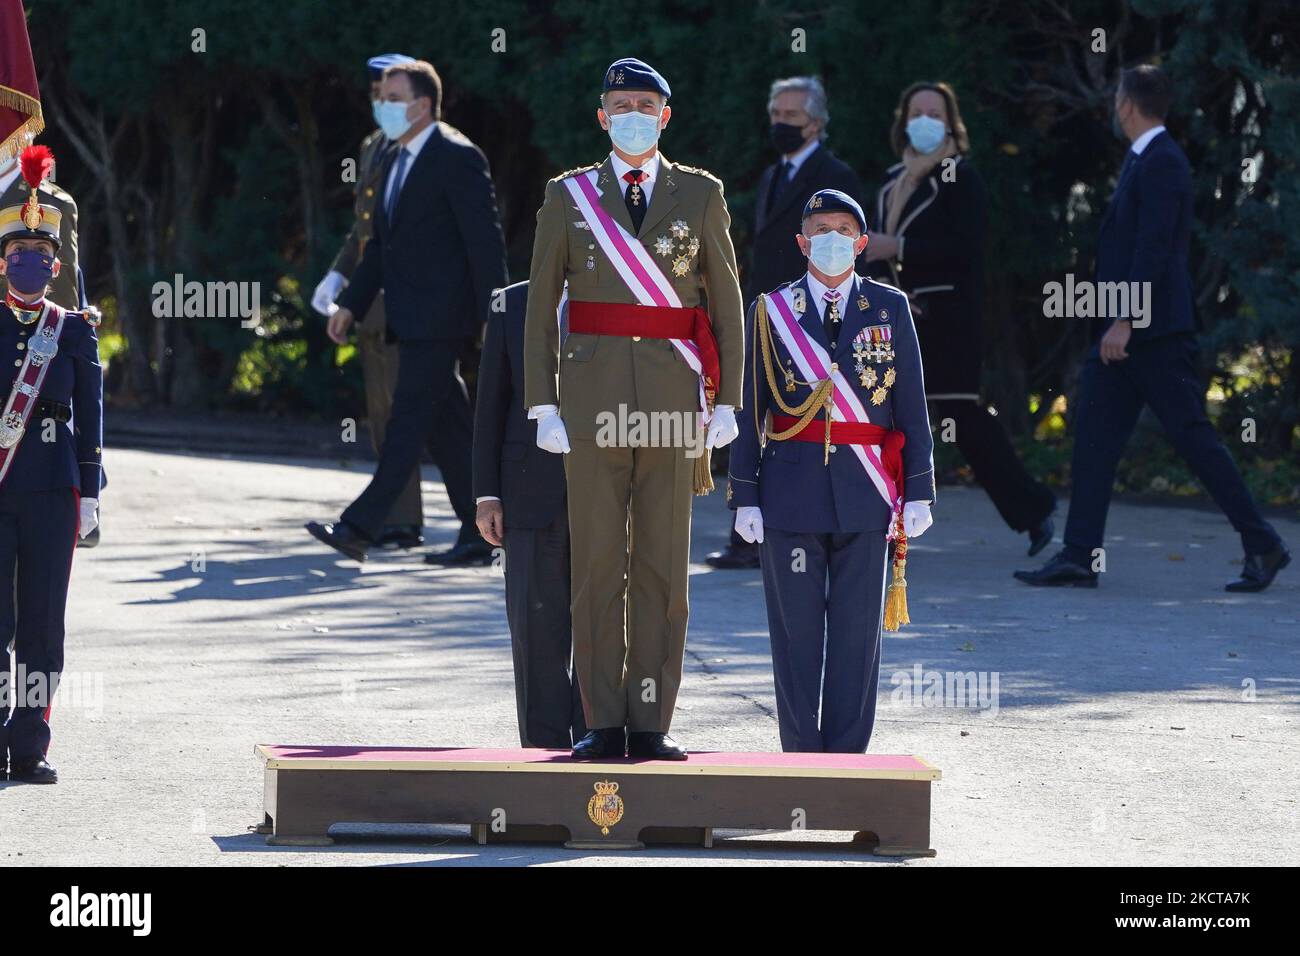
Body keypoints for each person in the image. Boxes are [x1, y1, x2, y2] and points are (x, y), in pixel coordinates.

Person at [523, 58, 743, 760]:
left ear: (666, 116)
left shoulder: (700, 194)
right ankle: (601, 719)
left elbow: (728, 305)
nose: (633, 115)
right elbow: (538, 311)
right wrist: (542, 403)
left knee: (661, 568)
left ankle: (650, 720)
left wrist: (731, 398)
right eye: (621, 104)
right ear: (601, 115)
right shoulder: (568, 196)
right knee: (595, 567)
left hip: (674, 404)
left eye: (645, 104)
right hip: (589, 406)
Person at [1016, 65, 1288, 592]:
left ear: (1126, 104)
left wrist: (1124, 320)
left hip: (1150, 334)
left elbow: (1153, 249)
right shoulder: (1146, 159)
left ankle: (1263, 543)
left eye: (1117, 99)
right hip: (1127, 333)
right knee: (1094, 438)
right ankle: (1078, 553)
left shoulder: (1162, 161)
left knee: (1193, 439)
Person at [728, 188, 934, 753]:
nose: (833, 240)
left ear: (863, 243)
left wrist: (919, 491)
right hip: (789, 493)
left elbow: (912, 403)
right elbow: (749, 410)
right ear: (801, 242)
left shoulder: (889, 307)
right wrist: (744, 494)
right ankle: (800, 757)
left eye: (844, 230)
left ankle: (848, 762)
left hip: (868, 492)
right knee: (795, 638)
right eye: (821, 229)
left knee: (855, 637)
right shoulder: (771, 311)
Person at [305, 59, 508, 566]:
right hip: (407, 316)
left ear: (422, 104)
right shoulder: (394, 158)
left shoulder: (457, 157)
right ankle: (479, 535)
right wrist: (349, 305)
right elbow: (380, 247)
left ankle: (358, 527)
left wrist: (496, 313)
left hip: (442, 318)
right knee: (449, 427)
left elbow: (484, 242)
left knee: (407, 422)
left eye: (392, 97)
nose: (382, 104)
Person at [865, 81, 1055, 555]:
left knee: (960, 419)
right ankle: (887, 526)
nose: (926, 120)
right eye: (917, 111)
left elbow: (967, 250)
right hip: (896, 318)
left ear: (950, 123)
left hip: (947, 320)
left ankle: (1033, 510)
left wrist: (901, 248)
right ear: (904, 119)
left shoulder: (958, 176)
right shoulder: (893, 180)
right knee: (886, 420)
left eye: (936, 112)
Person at [708, 76, 866, 571]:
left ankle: (788, 530)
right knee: (754, 416)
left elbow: (845, 255)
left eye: (791, 117)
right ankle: (748, 528)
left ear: (816, 122)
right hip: (768, 314)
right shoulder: (774, 173)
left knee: (797, 424)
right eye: (776, 115)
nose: (780, 124)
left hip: (810, 322)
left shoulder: (835, 174)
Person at [0, 146, 103, 783]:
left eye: (39, 255)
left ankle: (30, 741)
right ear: (2, 261)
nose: (27, 262)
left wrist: (90, 491)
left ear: (56, 264)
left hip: (51, 484)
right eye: (16, 255)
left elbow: (90, 414)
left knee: (41, 619)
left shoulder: (73, 330)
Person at [310, 53, 422, 552]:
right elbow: (363, 230)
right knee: (383, 410)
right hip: (372, 301)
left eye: (390, 89)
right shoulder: (374, 146)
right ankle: (400, 519)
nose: (380, 98)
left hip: (411, 301)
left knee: (412, 412)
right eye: (377, 88)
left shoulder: (424, 148)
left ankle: (396, 519)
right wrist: (339, 276)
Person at [474, 280, 586, 748]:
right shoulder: (511, 301)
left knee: (604, 632)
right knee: (534, 631)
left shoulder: (623, 285)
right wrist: (486, 495)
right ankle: (543, 756)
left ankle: (597, 742)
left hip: (605, 490)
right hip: (526, 492)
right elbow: (490, 402)